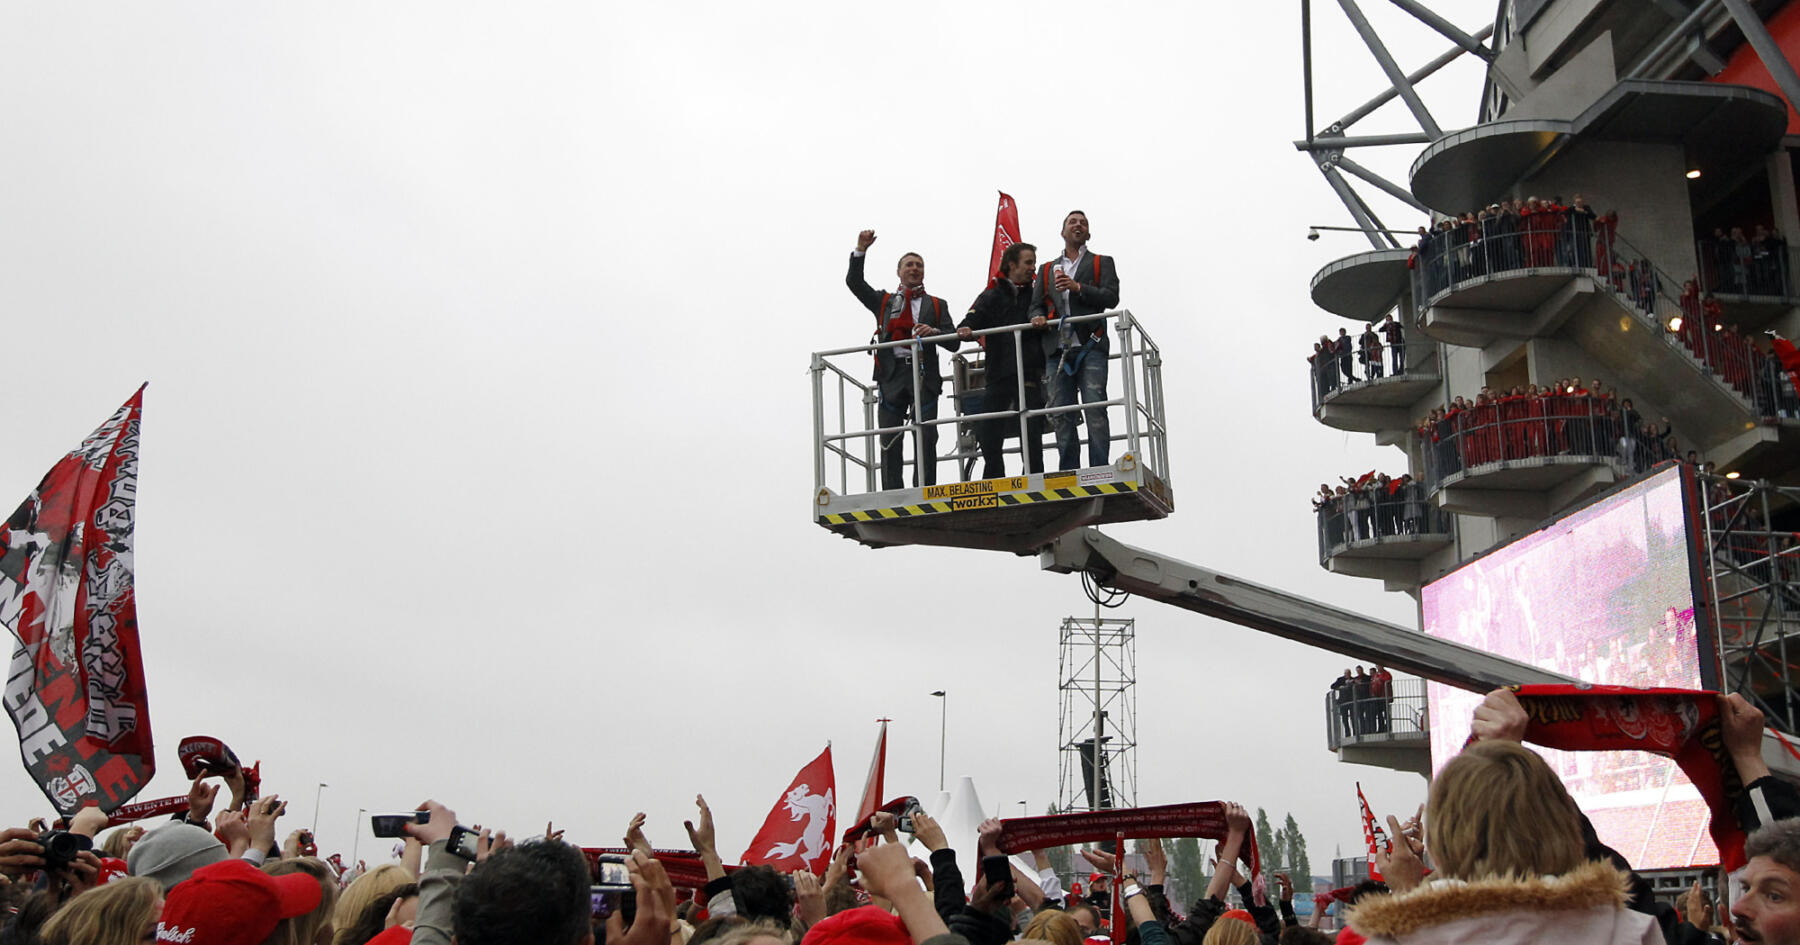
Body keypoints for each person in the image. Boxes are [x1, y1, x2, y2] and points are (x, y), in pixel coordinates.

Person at [1345, 738, 1659, 944]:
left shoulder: (1399, 938)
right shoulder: (1629, 932)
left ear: (1446, 832)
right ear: (1562, 822)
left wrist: (1405, 895)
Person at [845, 230, 959, 491]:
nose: (915, 269)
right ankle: (892, 492)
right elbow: (854, 283)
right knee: (889, 437)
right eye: (909, 264)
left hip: (925, 377)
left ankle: (925, 489)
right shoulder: (884, 302)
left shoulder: (937, 305)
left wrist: (935, 333)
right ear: (899, 271)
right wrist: (861, 250)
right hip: (891, 376)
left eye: (919, 265)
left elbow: (954, 342)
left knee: (927, 436)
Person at [1031, 211, 1121, 471]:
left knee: (1095, 408)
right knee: (1061, 413)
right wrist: (1037, 317)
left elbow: (1111, 297)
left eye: (1083, 222)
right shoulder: (1047, 269)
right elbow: (1035, 305)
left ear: (1088, 233)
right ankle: (1068, 469)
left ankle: (1098, 468)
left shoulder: (1101, 262)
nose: (1078, 225)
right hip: (1056, 348)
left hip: (1090, 345)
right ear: (1063, 232)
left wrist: (1078, 287)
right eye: (1072, 222)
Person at [960, 242, 1046, 478]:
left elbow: (1048, 316)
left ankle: (1034, 475)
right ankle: (994, 475)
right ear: (1012, 264)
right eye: (1028, 262)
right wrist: (967, 328)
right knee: (988, 429)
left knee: (1031, 426)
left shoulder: (1037, 294)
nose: (1032, 267)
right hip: (998, 371)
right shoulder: (992, 294)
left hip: (1027, 370)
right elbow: (971, 320)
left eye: (1034, 263)